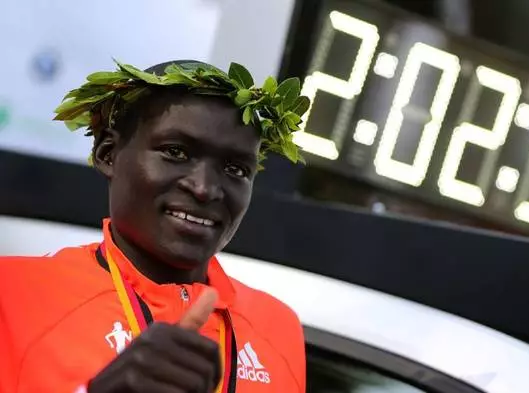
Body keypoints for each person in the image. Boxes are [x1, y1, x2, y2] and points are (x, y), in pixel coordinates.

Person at [0, 59, 310, 393]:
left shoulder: (278, 327)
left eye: (236, 170)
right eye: (176, 152)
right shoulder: (13, 293)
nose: (204, 189)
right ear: (108, 154)